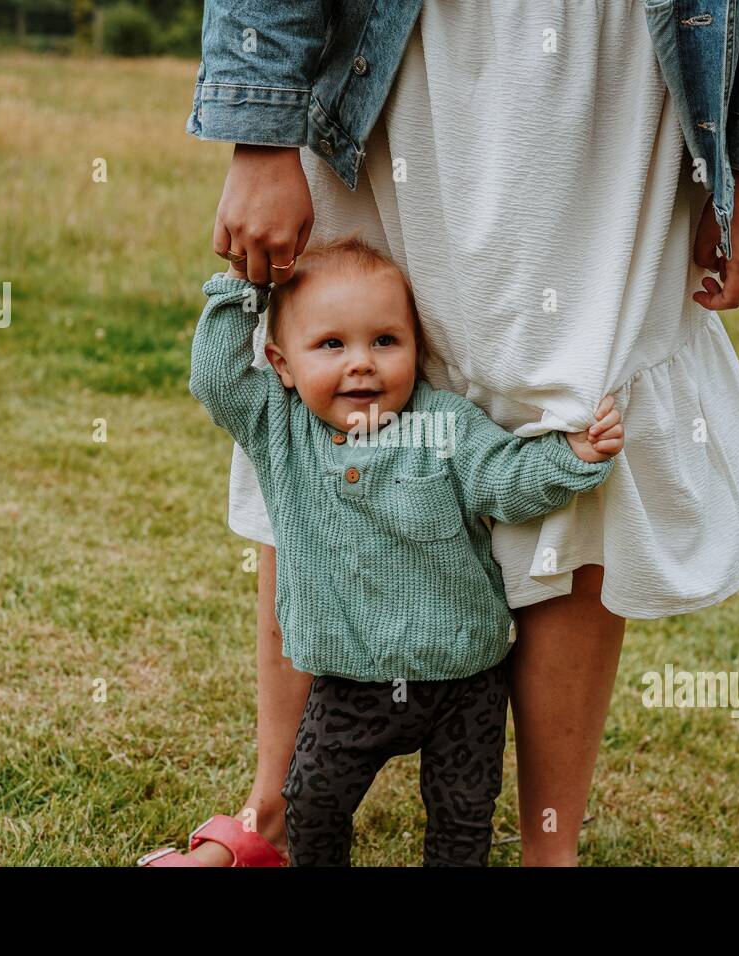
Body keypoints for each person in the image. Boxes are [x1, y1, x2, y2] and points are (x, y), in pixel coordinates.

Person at [158, 0, 739, 867]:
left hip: (612, 66)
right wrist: (259, 134)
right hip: (401, 45)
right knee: (322, 380)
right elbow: (243, 386)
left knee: (576, 388)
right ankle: (271, 820)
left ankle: (546, 856)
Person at [148, 237, 622, 866]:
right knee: (313, 802)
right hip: (348, 679)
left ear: (416, 350)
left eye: (384, 341)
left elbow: (506, 481)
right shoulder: (280, 428)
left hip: (464, 679)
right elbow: (215, 380)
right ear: (282, 365)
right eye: (331, 345)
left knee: (461, 823)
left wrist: (572, 457)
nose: (361, 364)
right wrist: (241, 288)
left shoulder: (445, 426)